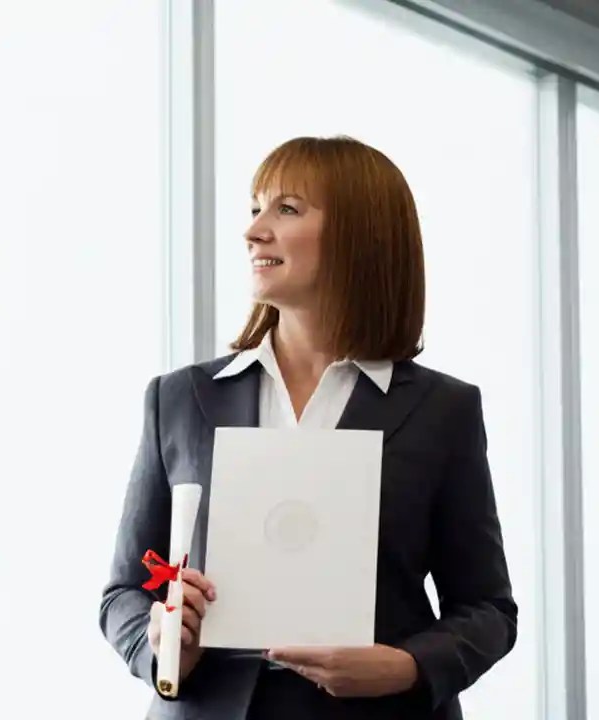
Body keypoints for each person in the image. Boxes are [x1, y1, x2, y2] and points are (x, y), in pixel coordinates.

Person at [99, 136, 517, 719]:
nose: (254, 231)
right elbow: (123, 593)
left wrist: (406, 666)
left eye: (286, 209)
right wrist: (166, 646)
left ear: (359, 234)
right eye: (255, 209)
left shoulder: (443, 410)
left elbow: (488, 608)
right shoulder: (178, 398)